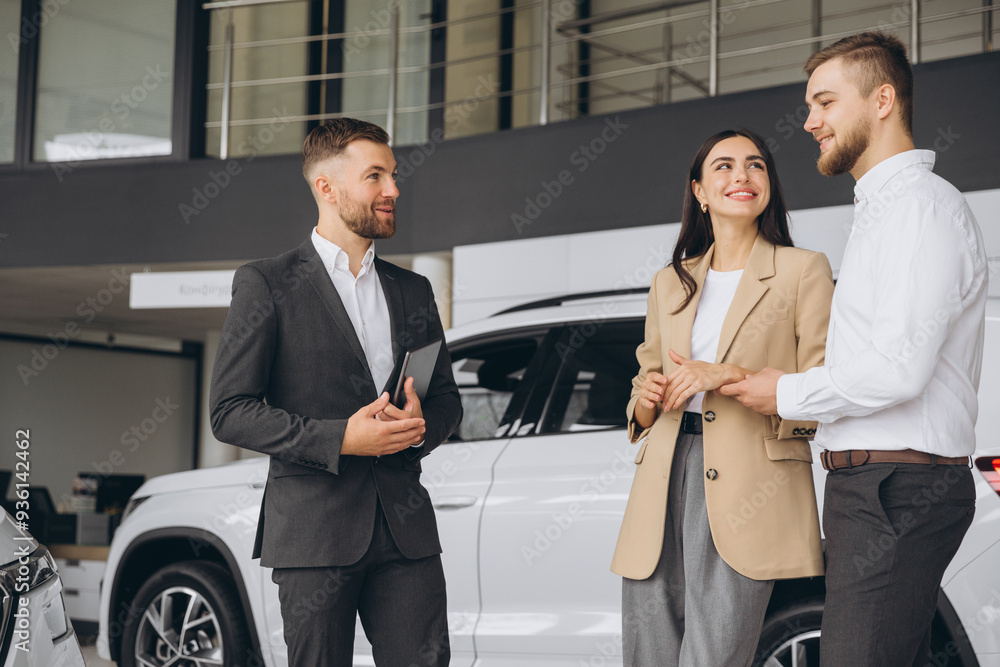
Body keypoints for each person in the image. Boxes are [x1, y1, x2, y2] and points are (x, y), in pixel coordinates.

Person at [719, 32, 988, 666]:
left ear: (883, 100)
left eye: (825, 103)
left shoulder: (918, 210)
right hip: (880, 485)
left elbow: (898, 369)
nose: (810, 122)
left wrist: (780, 391)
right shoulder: (883, 211)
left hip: (895, 486)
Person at [209, 118, 462, 666]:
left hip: (407, 534)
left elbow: (447, 401)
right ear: (326, 186)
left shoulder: (413, 289)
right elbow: (230, 412)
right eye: (376, 176)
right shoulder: (266, 283)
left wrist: (420, 427)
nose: (393, 190)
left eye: (393, 176)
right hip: (313, 536)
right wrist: (343, 438)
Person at [612, 128, 834, 666]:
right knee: (649, 651)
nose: (742, 175)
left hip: (750, 482)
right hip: (665, 475)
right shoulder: (671, 281)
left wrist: (729, 375)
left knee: (715, 656)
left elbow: (825, 385)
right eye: (725, 167)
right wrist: (645, 395)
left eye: (756, 166)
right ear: (700, 192)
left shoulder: (803, 270)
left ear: (769, 185)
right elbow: (646, 388)